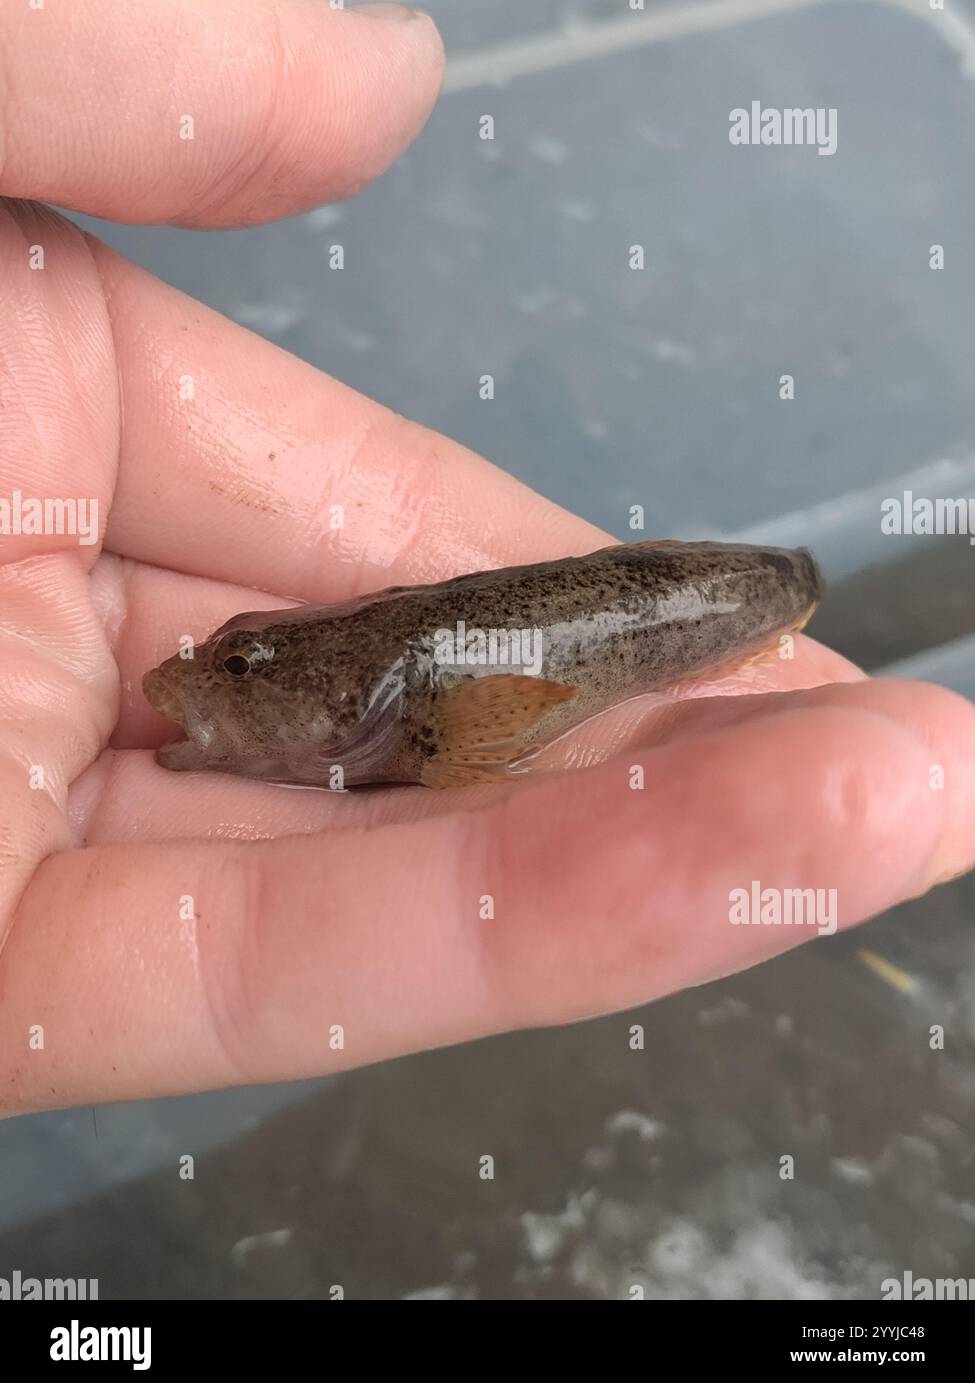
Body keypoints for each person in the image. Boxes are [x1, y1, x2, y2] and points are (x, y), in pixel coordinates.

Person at [0, 1, 972, 1116]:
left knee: (788, 659)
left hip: (715, 595)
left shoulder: (421, 703)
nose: (194, 680)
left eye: (245, 662)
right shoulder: (386, 693)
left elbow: (480, 726)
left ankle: (792, 588)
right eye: (237, 662)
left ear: (351, 693)